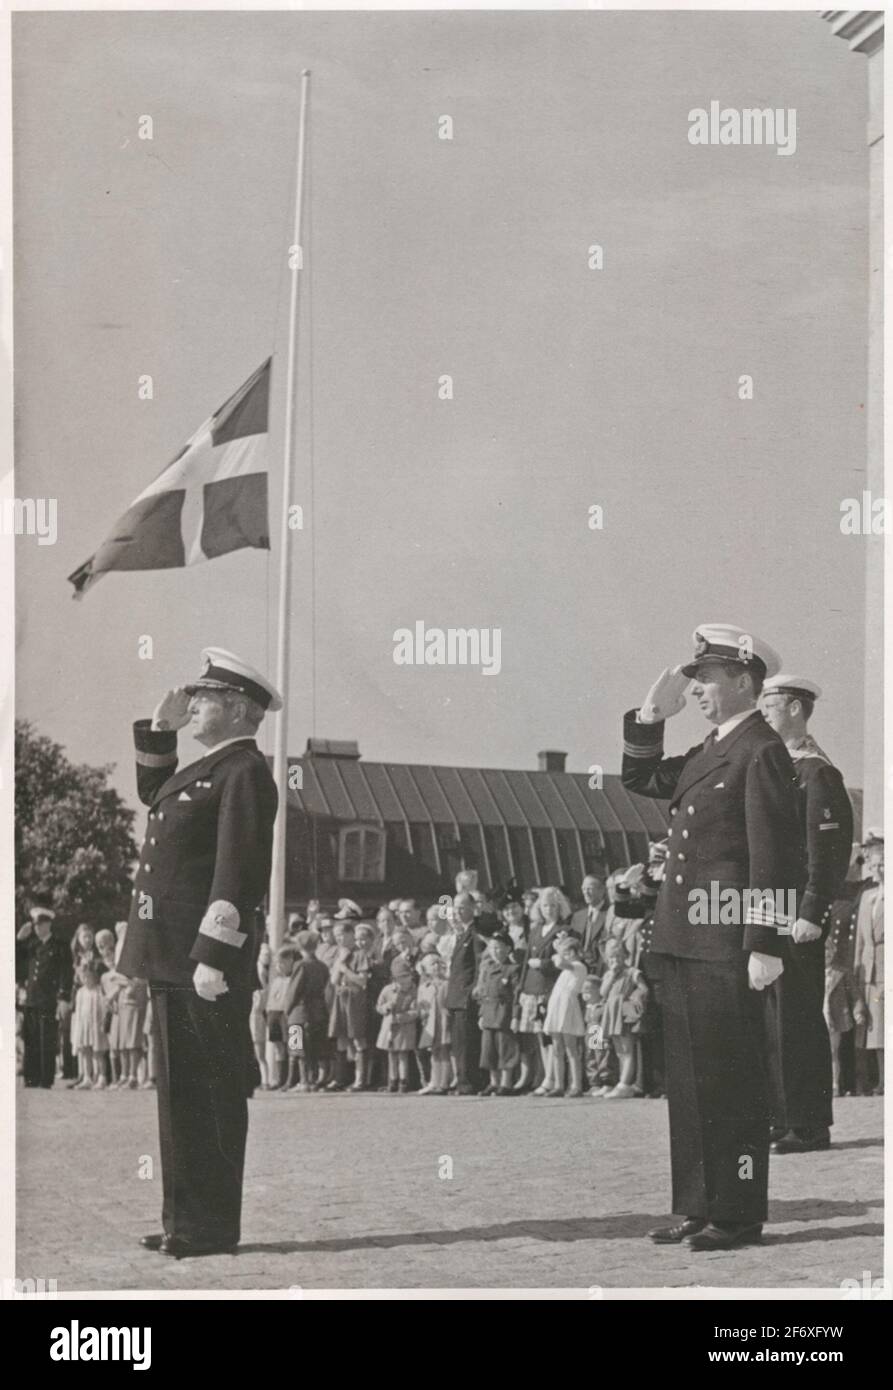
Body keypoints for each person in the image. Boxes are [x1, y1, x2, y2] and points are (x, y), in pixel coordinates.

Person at [622, 624, 803, 1251]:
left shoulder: (761, 749)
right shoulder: (710, 749)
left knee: (732, 1080)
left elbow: (775, 852)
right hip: (683, 937)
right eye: (695, 680)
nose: (696, 688)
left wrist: (765, 942)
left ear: (745, 682)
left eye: (707, 679)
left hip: (727, 940)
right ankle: (699, 1205)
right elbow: (644, 781)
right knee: (693, 1082)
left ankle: (739, 1213)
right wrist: (650, 719)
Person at [118, 647, 280, 1259]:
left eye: (205, 697)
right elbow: (157, 794)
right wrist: (162, 731)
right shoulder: (210, 767)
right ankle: (182, 1221)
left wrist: (214, 953)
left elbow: (238, 870)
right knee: (178, 1096)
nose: (195, 703)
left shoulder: (244, 772)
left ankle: (209, 1228)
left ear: (239, 707)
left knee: (209, 1093)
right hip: (172, 955)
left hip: (201, 962)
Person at [758, 675, 853, 1153]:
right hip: (772, 909)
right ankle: (782, 1114)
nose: (765, 713)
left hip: (799, 911)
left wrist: (814, 908)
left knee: (797, 1015)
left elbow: (828, 849)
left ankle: (809, 1122)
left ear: (795, 708)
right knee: (774, 1015)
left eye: (771, 705)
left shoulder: (818, 773)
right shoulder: (781, 768)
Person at [516, 885, 571, 1096]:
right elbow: (525, 964)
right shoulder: (535, 930)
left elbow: (563, 961)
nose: (549, 910)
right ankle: (545, 1076)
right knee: (539, 1037)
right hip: (532, 987)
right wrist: (522, 988)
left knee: (551, 1036)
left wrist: (543, 963)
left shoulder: (563, 931)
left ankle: (554, 1078)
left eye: (553, 906)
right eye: (545, 905)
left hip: (550, 987)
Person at [15, 903, 72, 1089]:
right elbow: (14, 964)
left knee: (46, 1039)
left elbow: (66, 973)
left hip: (49, 999)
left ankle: (45, 1079)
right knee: (31, 1038)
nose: (36, 928)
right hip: (31, 999)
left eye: (40, 924)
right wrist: (18, 940)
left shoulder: (60, 946)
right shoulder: (31, 947)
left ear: (48, 924)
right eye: (35, 924)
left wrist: (63, 997)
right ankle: (31, 1078)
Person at [445, 891, 487, 1094]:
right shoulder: (461, 934)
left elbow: (479, 964)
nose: (458, 911)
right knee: (458, 1043)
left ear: (473, 908)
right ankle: (462, 1079)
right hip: (455, 996)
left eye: (462, 907)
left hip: (465, 996)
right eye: (456, 907)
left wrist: (474, 989)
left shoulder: (475, 933)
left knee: (467, 1043)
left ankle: (468, 1082)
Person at [598, 938, 649, 1098]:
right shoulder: (608, 974)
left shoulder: (632, 972)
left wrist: (636, 996)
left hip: (623, 1011)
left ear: (625, 956)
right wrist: (611, 975)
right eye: (612, 957)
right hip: (611, 1011)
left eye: (619, 956)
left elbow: (644, 988)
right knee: (619, 1049)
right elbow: (602, 992)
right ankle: (622, 1081)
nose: (615, 960)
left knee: (627, 1049)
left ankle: (625, 1083)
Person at [853, 833, 884, 1094]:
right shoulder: (868, 897)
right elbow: (860, 942)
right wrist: (856, 973)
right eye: (874, 865)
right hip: (871, 971)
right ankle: (878, 1080)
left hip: (887, 969)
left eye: (883, 864)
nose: (878, 870)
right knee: (874, 1028)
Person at [473, 934, 521, 1095]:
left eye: (499, 947)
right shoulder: (488, 968)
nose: (496, 951)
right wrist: (481, 1014)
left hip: (504, 1013)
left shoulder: (513, 969)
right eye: (492, 947)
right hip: (488, 1011)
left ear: (508, 949)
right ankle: (493, 1082)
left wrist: (515, 1016)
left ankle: (506, 1083)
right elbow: (483, 992)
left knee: (505, 1048)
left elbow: (516, 995)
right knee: (489, 1050)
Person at [327, 921, 372, 1091]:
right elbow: (333, 981)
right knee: (341, 1038)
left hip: (354, 997)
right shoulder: (340, 953)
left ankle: (360, 1080)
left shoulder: (360, 954)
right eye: (337, 935)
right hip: (340, 995)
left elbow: (362, 980)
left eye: (342, 934)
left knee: (358, 1037)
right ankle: (340, 1078)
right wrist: (339, 967)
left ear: (351, 934)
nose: (339, 938)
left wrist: (345, 969)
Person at [283, 931, 330, 1092]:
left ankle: (303, 1081)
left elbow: (294, 990)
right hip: (318, 1012)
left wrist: (287, 1008)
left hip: (299, 1012)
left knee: (297, 1048)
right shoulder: (322, 966)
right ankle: (312, 1080)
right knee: (313, 1048)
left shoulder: (301, 965)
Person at [542, 935, 587, 1096]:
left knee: (571, 1048)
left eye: (569, 952)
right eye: (565, 953)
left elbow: (560, 962)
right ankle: (559, 1084)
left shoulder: (578, 966)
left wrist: (557, 950)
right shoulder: (566, 970)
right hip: (557, 1006)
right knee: (557, 1048)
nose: (566, 956)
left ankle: (576, 1085)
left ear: (576, 952)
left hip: (568, 1006)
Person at [823, 930, 866, 1097]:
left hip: (835, 1017)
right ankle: (823, 1084)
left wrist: (858, 1011)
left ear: (833, 951)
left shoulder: (841, 972)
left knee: (833, 1052)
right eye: (822, 950)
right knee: (821, 1052)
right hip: (819, 1016)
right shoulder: (813, 971)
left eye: (828, 949)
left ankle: (834, 1085)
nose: (825, 953)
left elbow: (854, 995)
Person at [376, 958, 419, 1093]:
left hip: (404, 1028)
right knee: (391, 1054)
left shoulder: (414, 991)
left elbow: (415, 1011)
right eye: (401, 977)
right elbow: (379, 1006)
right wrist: (386, 1008)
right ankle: (392, 1080)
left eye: (407, 976)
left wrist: (402, 1017)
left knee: (402, 1054)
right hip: (389, 1027)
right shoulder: (388, 990)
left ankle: (403, 1081)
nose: (405, 980)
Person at [71, 959, 109, 1089]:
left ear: (95, 977)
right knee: (86, 1051)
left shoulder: (98, 991)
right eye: (83, 977)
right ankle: (87, 1077)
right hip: (84, 1026)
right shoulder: (81, 992)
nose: (86, 980)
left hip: (96, 1026)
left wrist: (102, 1023)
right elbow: (79, 1010)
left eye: (89, 977)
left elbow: (104, 1008)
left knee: (98, 1052)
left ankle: (102, 1077)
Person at [417, 952, 451, 1095]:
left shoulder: (447, 983)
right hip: (430, 1022)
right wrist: (422, 1012)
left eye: (438, 962)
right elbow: (421, 1005)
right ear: (425, 969)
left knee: (444, 1051)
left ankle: (444, 1083)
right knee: (434, 1052)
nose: (436, 966)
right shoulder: (424, 986)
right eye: (432, 964)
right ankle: (434, 1082)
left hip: (444, 1020)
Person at [570, 873, 611, 970]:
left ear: (602, 890)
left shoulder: (610, 913)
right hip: (580, 969)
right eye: (583, 889)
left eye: (590, 889)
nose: (585, 892)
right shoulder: (578, 916)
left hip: (602, 968)